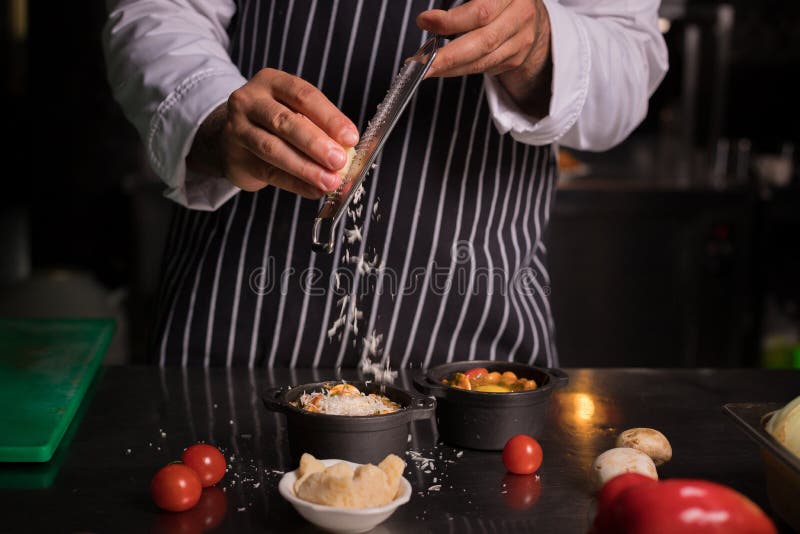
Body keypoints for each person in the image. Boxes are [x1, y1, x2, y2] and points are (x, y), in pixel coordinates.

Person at [103, 0, 668, 368]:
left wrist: (543, 43)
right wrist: (210, 115)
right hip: (230, 331)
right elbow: (158, 11)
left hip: (477, 339)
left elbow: (628, 64)